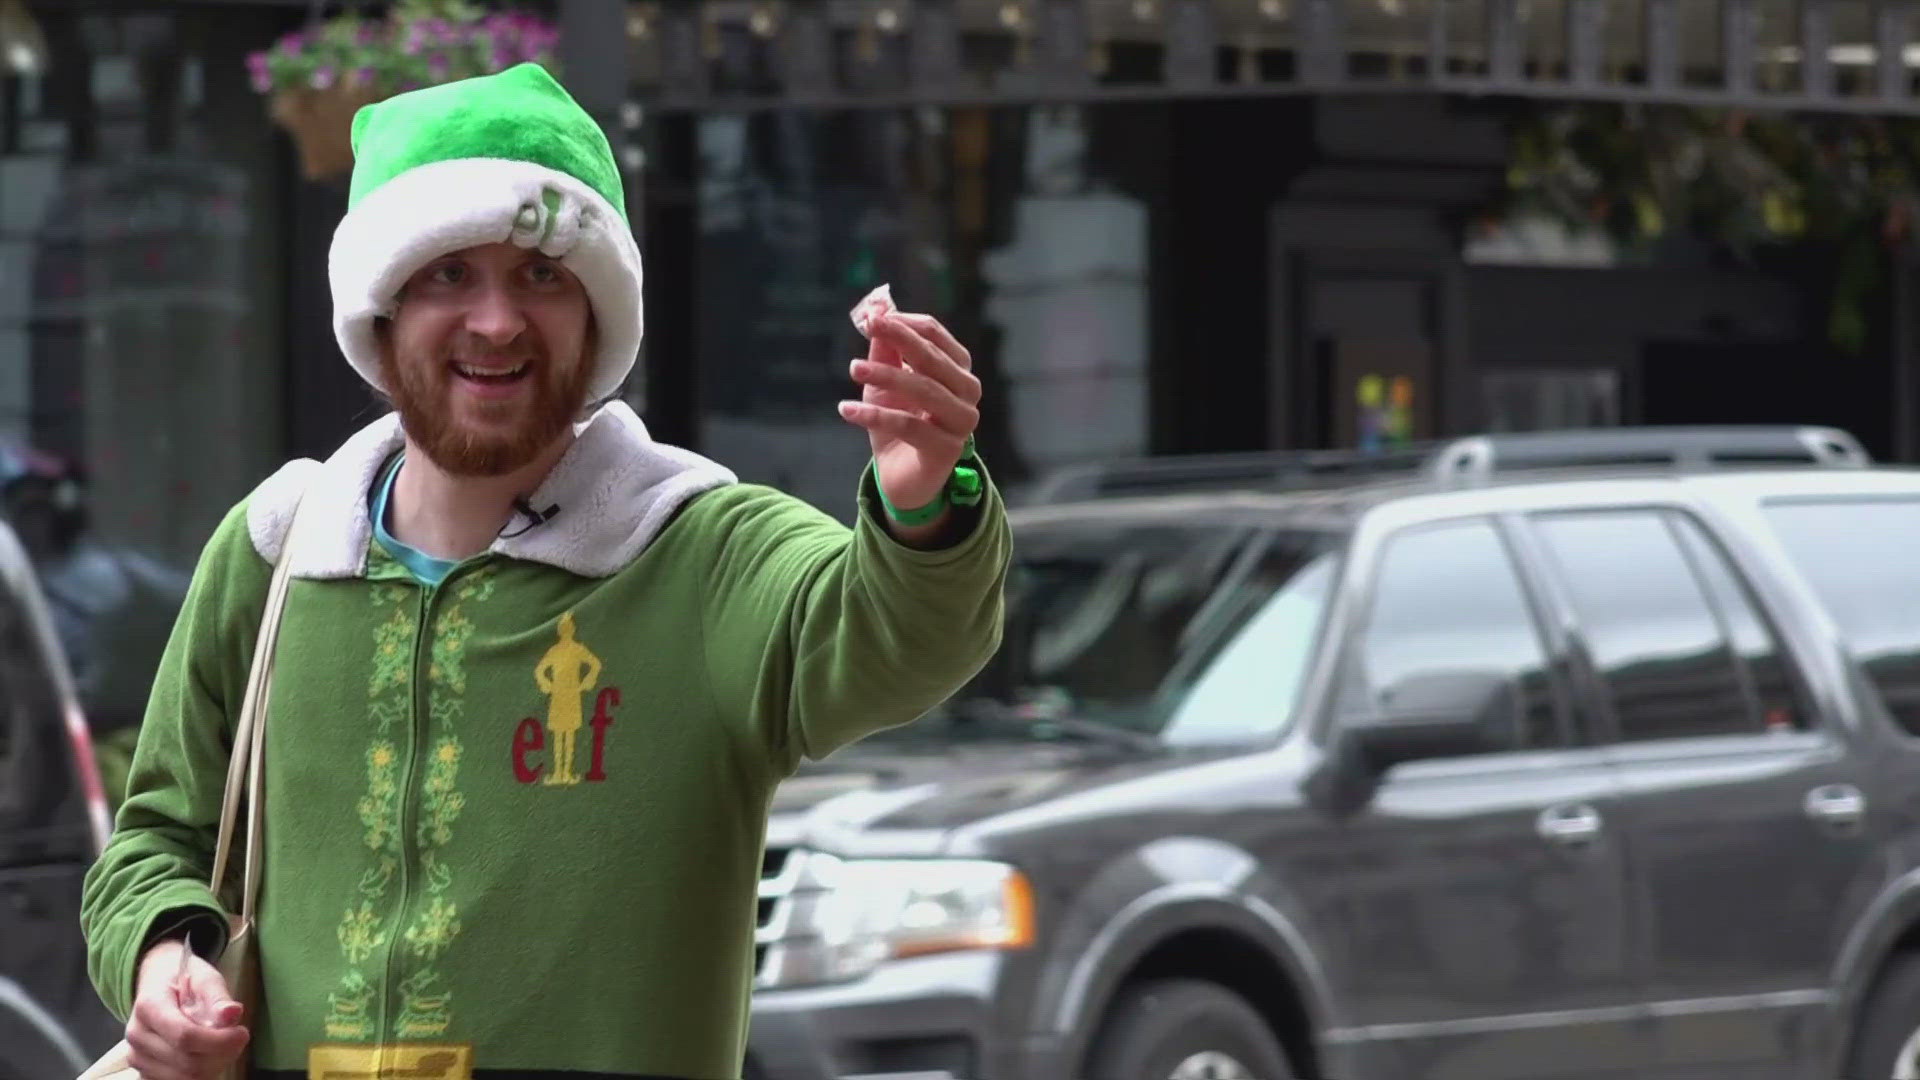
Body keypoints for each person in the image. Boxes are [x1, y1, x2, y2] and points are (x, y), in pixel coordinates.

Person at [78, 62, 1009, 1080]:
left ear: (596, 314)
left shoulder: (702, 550)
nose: (495, 321)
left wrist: (924, 503)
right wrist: (168, 954)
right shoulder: (274, 551)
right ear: (380, 310)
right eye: (447, 275)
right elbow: (153, 842)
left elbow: (899, 639)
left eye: (541, 276)